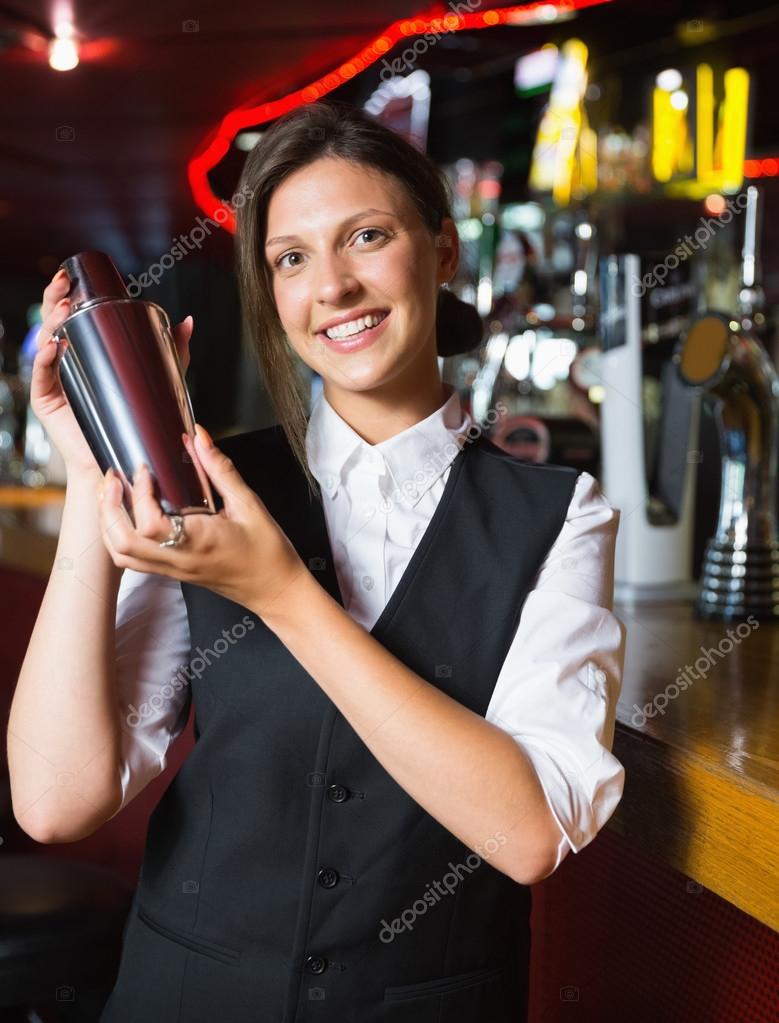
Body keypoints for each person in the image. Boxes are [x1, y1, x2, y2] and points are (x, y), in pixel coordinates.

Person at [10, 100, 626, 1023]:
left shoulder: (559, 514)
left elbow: (529, 832)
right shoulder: (207, 486)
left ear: (442, 250)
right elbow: (56, 802)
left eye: (366, 236)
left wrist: (280, 592)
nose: (331, 286)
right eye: (290, 259)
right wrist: (93, 471)